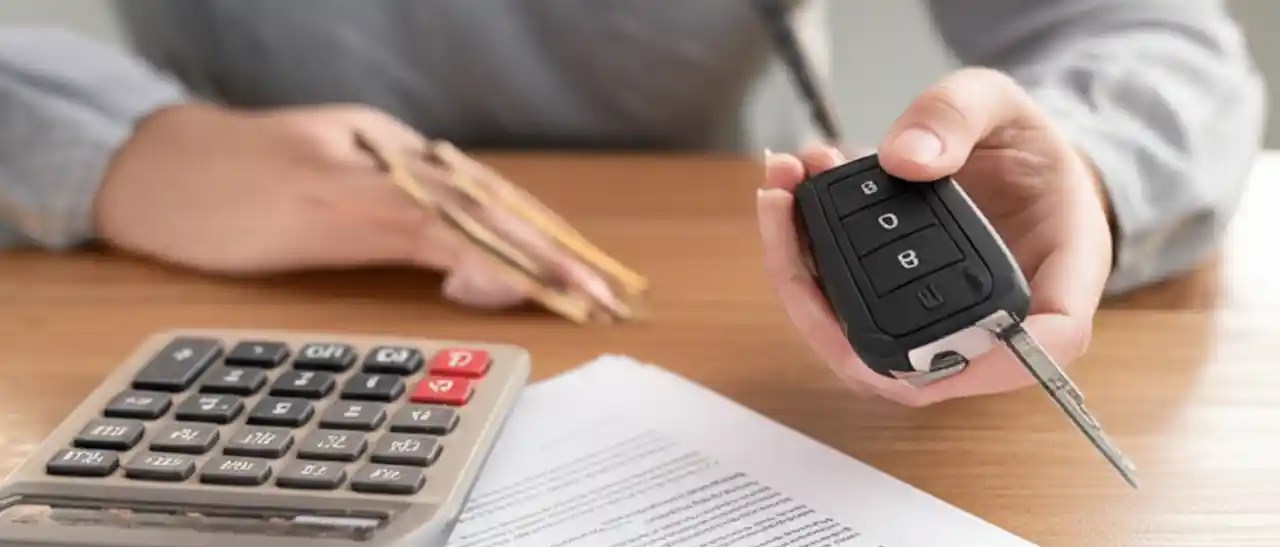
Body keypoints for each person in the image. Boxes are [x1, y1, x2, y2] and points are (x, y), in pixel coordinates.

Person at [0, 1, 1266, 407]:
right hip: (207, 265)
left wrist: (1086, 165)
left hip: (716, 292)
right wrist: (120, 153)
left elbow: (1149, 36)